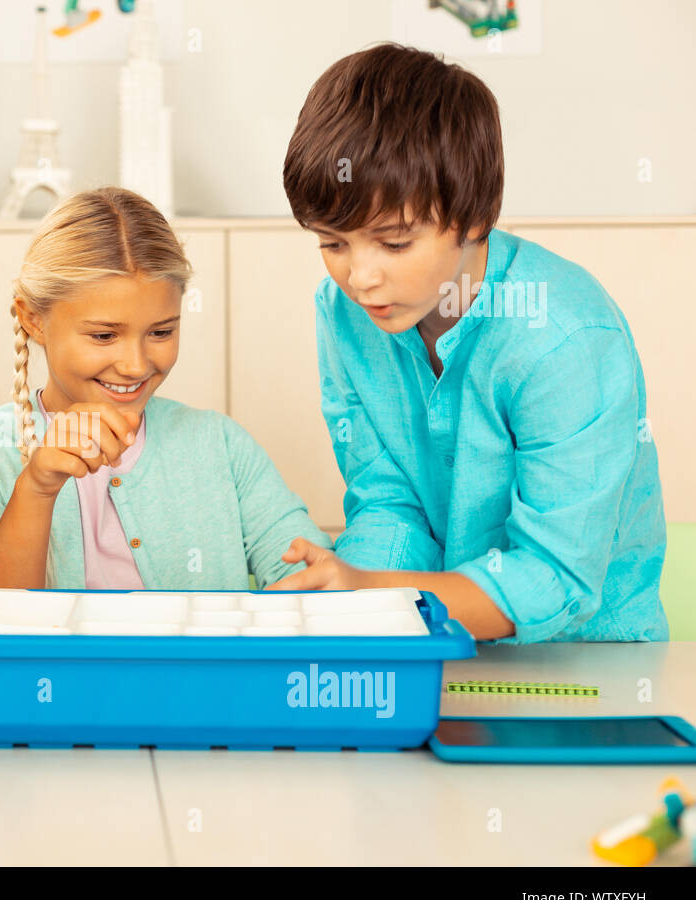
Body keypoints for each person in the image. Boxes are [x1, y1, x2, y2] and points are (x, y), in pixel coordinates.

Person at [273, 44, 666, 642]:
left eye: (395, 243)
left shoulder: (564, 340)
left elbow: (555, 578)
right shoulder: (344, 314)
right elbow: (387, 501)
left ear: (474, 217)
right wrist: (355, 598)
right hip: (429, 644)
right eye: (332, 244)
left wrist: (374, 594)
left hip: (587, 661)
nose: (360, 277)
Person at [0, 187, 329, 605]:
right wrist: (37, 489)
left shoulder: (221, 445)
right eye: (103, 335)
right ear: (33, 320)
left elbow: (315, 581)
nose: (135, 365)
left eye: (161, 332)